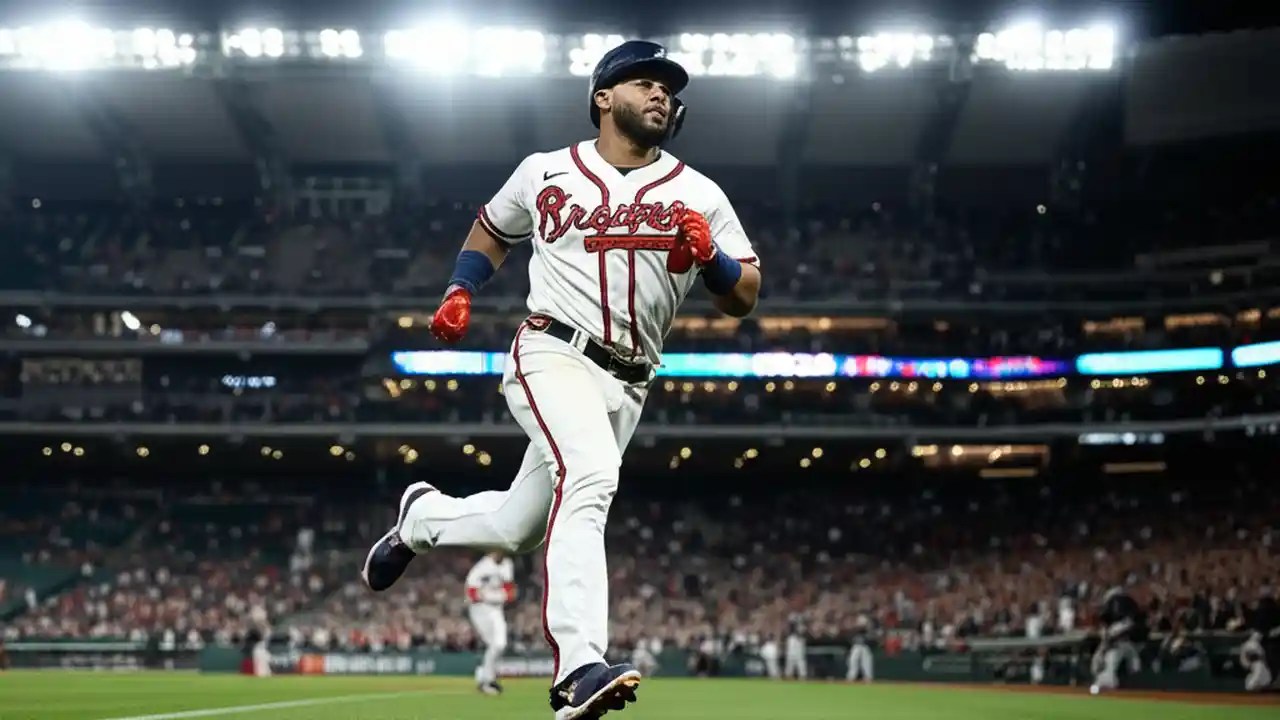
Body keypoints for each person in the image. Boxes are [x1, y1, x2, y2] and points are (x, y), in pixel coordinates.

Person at [361, 39, 761, 720]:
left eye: (668, 86)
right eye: (643, 82)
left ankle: (421, 520)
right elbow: (492, 229)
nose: (661, 93)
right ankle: (578, 664)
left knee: (520, 526)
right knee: (593, 477)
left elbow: (746, 293)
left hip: (631, 381)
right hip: (554, 351)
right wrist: (462, 287)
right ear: (603, 98)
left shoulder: (699, 193)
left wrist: (715, 261)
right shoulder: (547, 171)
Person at [465, 551, 516, 695]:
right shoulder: (481, 567)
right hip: (479, 609)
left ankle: (485, 678)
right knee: (495, 645)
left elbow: (510, 593)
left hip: (496, 610)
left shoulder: (507, 564)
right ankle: (487, 679)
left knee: (499, 644)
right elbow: (472, 594)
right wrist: (497, 596)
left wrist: (489, 595)